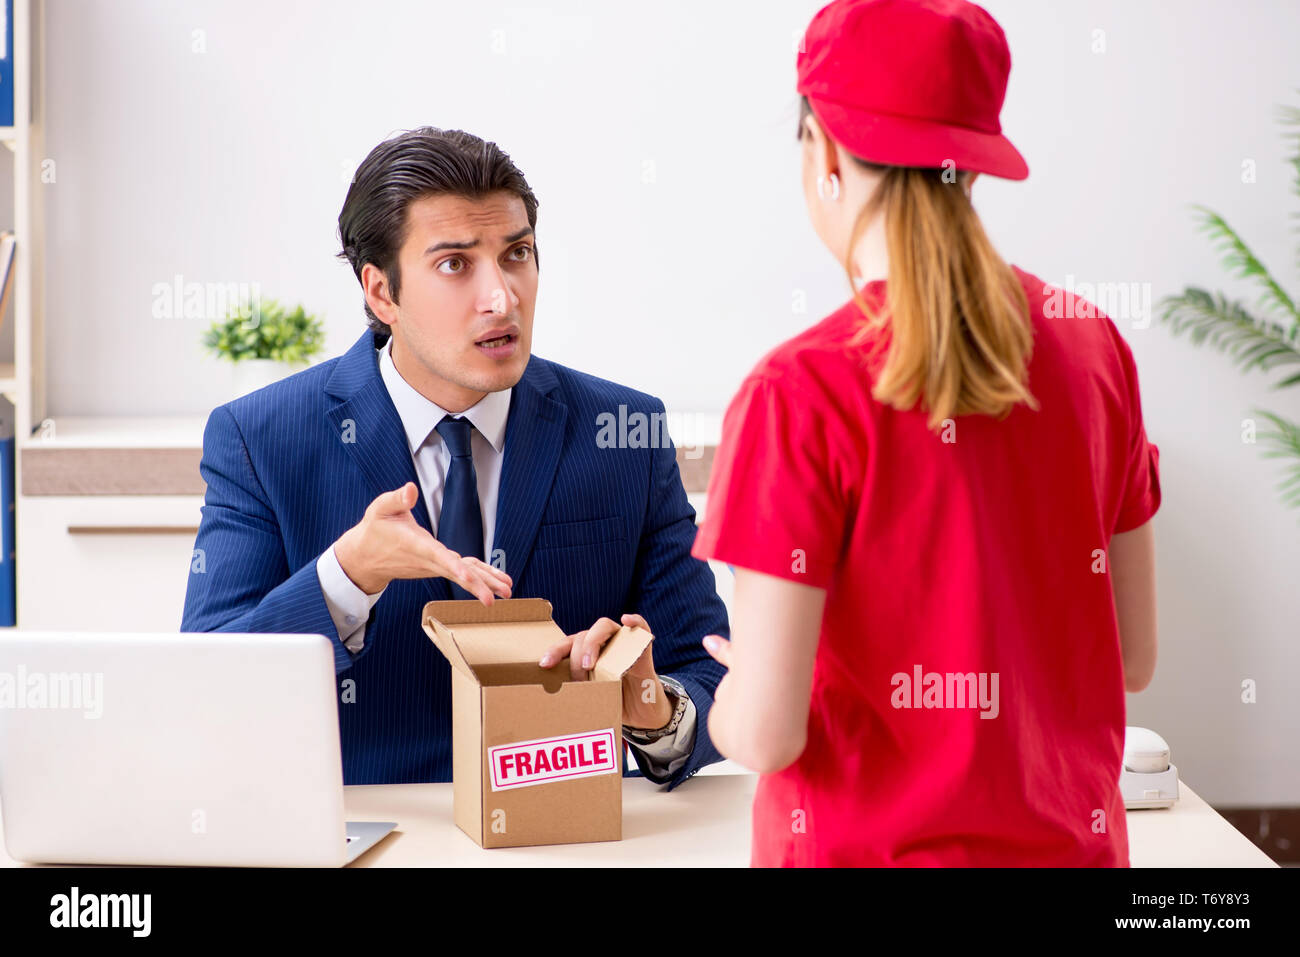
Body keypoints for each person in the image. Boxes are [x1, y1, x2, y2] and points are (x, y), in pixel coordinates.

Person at [693, 0, 1160, 866]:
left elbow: (764, 737)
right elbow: (1131, 659)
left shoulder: (795, 390)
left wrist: (735, 680)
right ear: (975, 167)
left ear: (823, 152)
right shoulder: (1096, 348)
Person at [181, 127, 728, 787]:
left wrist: (651, 708)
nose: (503, 296)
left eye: (517, 253)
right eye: (455, 264)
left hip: (567, 836)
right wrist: (347, 577)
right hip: (367, 838)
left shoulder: (623, 431)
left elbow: (707, 675)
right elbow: (208, 690)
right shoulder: (261, 437)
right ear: (381, 292)